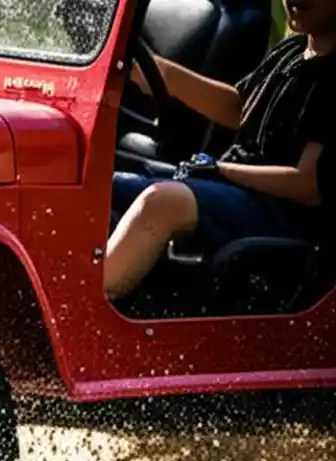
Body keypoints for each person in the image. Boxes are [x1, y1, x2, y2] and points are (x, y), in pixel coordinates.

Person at [104, 0, 334, 300]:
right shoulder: (293, 50)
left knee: (163, 202)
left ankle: (78, 316)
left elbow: (309, 184)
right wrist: (166, 75)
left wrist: (222, 170)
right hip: (241, 192)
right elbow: (241, 108)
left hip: (282, 213)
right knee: (104, 189)